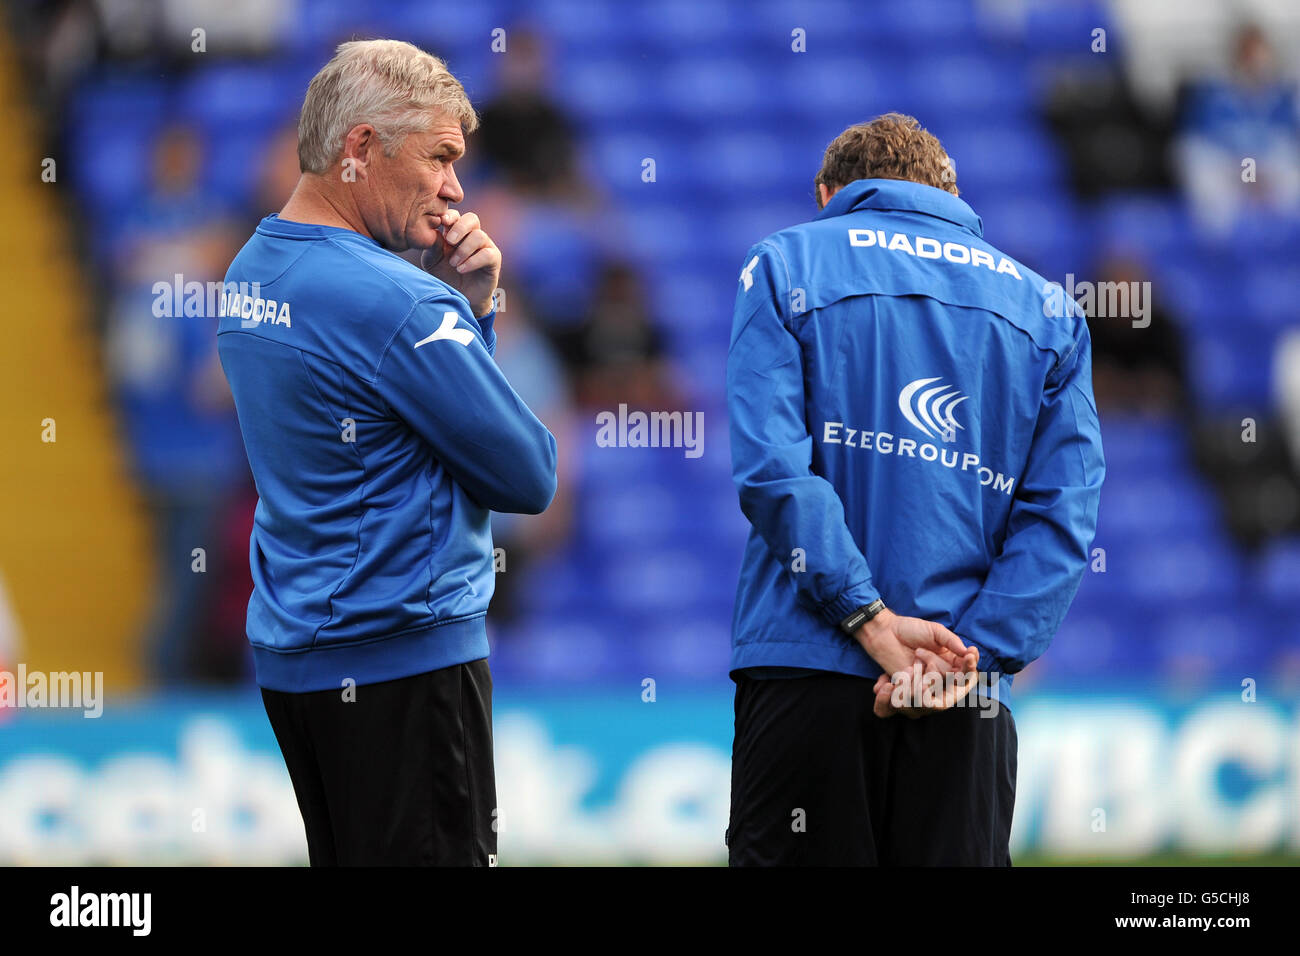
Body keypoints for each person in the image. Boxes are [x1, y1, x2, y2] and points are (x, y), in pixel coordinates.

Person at [726, 113, 1104, 866]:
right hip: (965, 694)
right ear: (950, 193)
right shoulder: (1049, 310)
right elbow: (1062, 517)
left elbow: (773, 471)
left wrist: (867, 620)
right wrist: (970, 659)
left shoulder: (786, 262)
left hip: (811, 671)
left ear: (828, 193)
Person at [217, 39, 557, 866]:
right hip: (406, 664)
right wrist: (466, 312)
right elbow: (528, 472)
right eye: (439, 156)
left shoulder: (251, 272)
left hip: (300, 664)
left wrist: (457, 315)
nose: (454, 187)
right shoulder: (396, 300)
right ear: (361, 148)